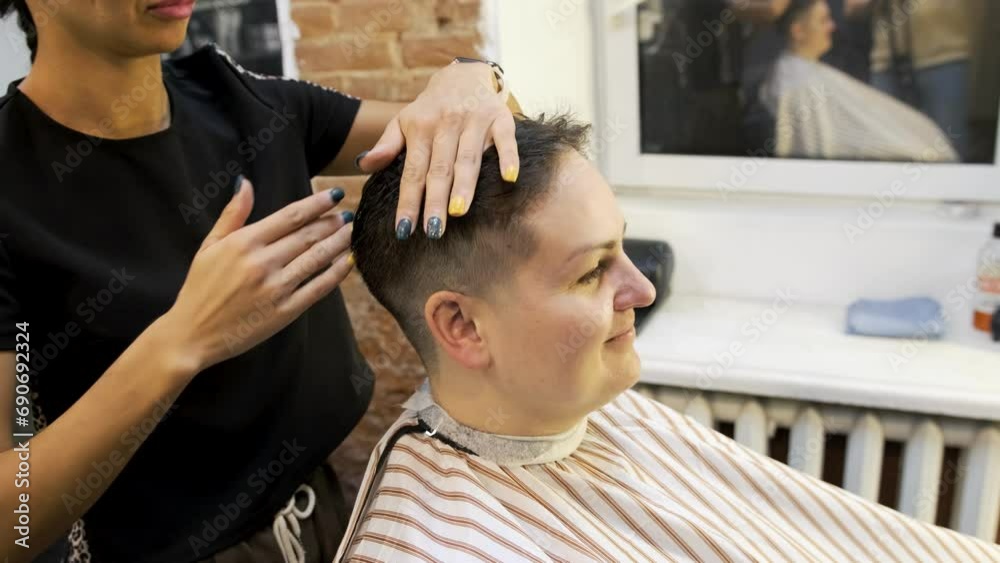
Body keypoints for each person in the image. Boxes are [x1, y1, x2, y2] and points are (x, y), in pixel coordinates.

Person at [339, 114, 1000, 562]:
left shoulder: (579, 402)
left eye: (623, 248)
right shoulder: (439, 542)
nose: (642, 290)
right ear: (462, 325)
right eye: (594, 270)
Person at [0, 0, 522, 561]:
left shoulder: (241, 101)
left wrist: (473, 78)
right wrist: (181, 341)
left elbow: (494, 127)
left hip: (328, 521)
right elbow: (12, 524)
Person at [759, 0, 958, 161]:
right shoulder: (802, 85)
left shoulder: (797, 72)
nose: (833, 26)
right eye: (824, 20)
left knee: (928, 136)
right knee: (930, 145)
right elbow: (816, 145)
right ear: (798, 31)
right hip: (906, 148)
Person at [846, 0, 976, 160]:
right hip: (886, 64)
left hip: (944, 56)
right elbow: (852, 8)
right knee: (883, 155)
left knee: (948, 152)